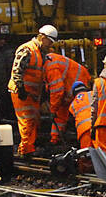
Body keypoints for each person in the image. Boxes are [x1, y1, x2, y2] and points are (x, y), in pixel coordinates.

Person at [8, 24, 58, 156]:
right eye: (50, 42)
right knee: (27, 120)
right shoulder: (27, 50)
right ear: (42, 37)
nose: (50, 45)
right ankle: (25, 150)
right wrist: (21, 89)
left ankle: (29, 147)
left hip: (33, 93)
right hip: (22, 92)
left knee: (34, 120)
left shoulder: (41, 52)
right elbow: (17, 71)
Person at [44, 50, 92, 145]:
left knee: (75, 110)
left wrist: (53, 109)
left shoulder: (50, 67)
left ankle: (58, 138)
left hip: (76, 83)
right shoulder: (49, 62)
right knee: (60, 111)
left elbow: (57, 90)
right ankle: (55, 138)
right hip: (72, 84)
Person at [68, 81, 95, 150]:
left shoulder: (72, 105)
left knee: (87, 156)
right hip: (97, 127)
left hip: (84, 132)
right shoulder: (93, 93)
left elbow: (71, 122)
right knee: (103, 155)